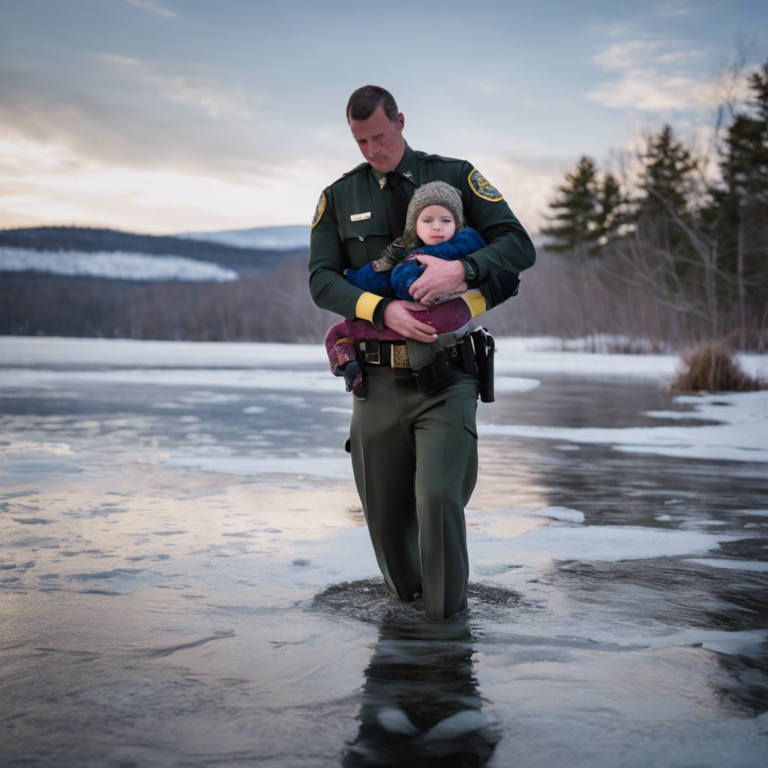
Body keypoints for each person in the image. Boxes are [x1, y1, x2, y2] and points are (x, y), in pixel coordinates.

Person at [308, 85, 535, 619]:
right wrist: (379, 310)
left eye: (380, 137)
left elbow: (518, 248)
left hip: (445, 374)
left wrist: (463, 272)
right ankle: (410, 633)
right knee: (385, 521)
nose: (371, 150)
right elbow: (320, 281)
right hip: (376, 382)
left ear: (401, 122)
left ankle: (447, 632)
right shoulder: (340, 196)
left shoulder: (455, 177)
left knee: (436, 501)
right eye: (360, 140)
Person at [324, 181, 487, 395]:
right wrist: (355, 277)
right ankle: (358, 370)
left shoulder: (449, 248)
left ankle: (347, 365)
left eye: (445, 220)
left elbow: (402, 284)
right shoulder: (411, 252)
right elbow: (378, 276)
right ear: (415, 226)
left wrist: (352, 280)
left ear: (457, 225)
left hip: (438, 316)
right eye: (428, 220)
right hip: (450, 319)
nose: (436, 226)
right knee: (417, 333)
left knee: (339, 332)